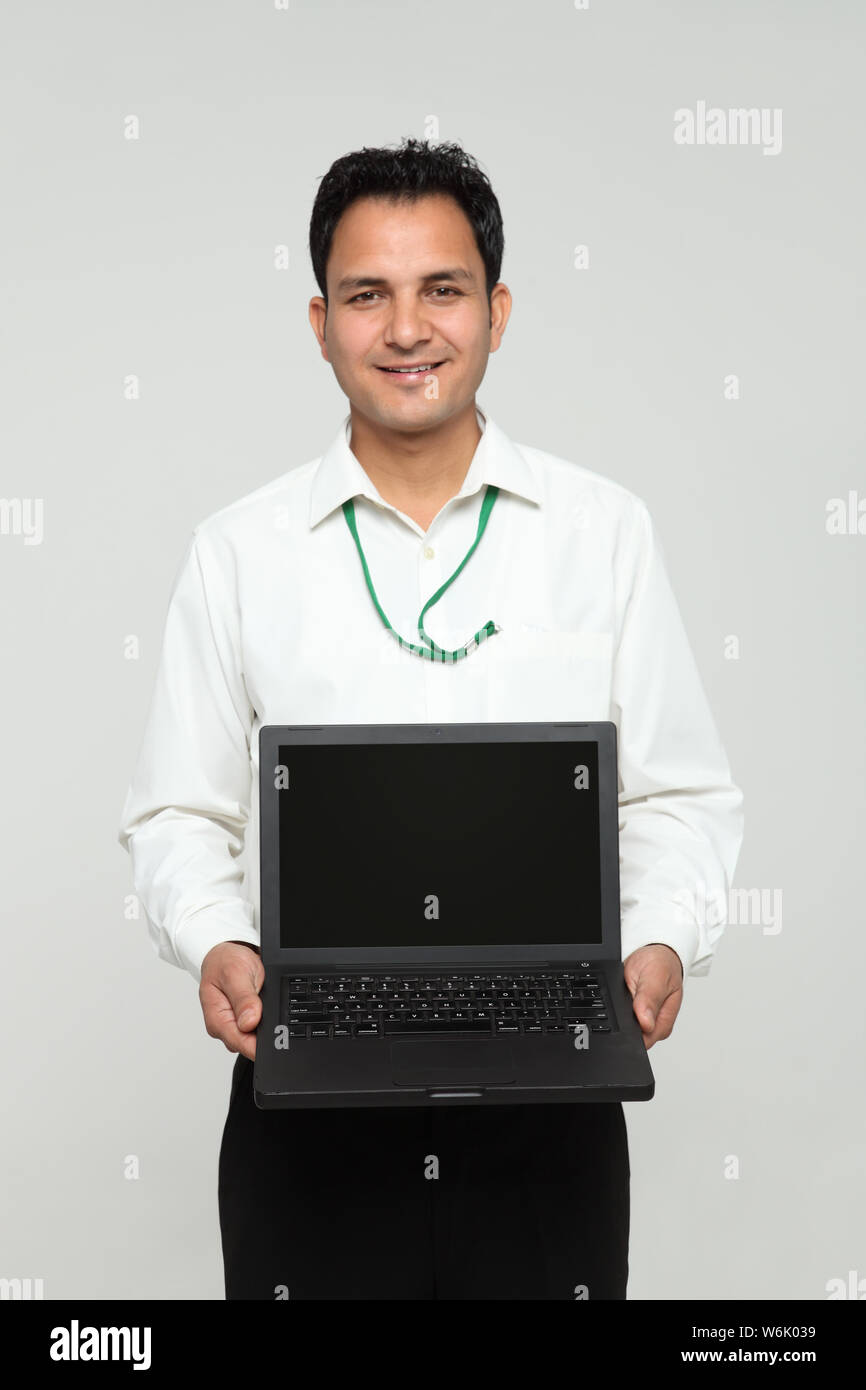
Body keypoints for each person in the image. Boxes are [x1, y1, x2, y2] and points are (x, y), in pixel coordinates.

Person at [118, 137, 744, 1300]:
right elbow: (173, 812)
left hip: (547, 1114)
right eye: (368, 294)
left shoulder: (600, 531)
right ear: (319, 322)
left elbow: (676, 794)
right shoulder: (237, 551)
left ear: (496, 311)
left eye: (440, 289)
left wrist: (658, 938)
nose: (406, 328)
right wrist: (217, 943)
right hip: (306, 1114)